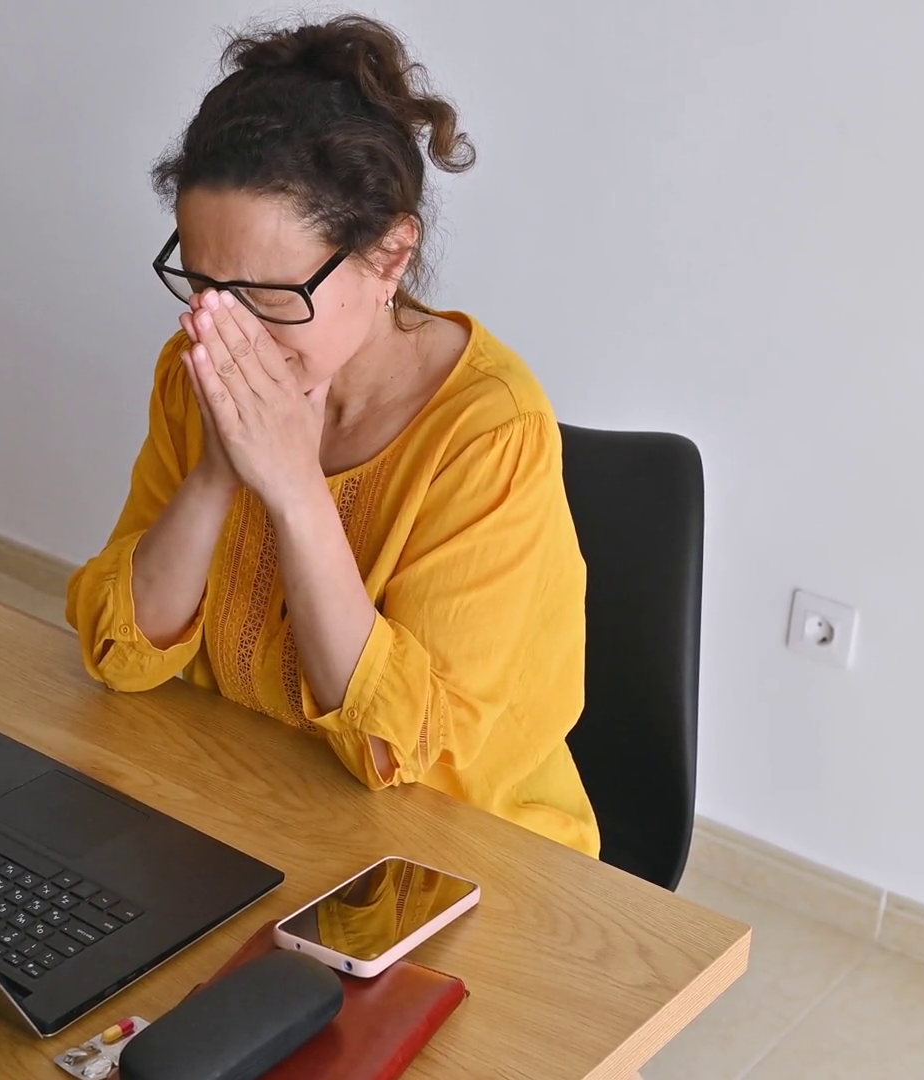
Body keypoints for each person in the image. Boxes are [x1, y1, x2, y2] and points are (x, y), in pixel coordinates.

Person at [65, 15, 597, 858]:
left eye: (272, 294)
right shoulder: (197, 367)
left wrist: (293, 489)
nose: (226, 327)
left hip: (463, 861)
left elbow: (403, 755)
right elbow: (120, 656)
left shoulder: (490, 436)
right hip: (249, 812)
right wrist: (215, 473)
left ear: (390, 256)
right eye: (202, 282)